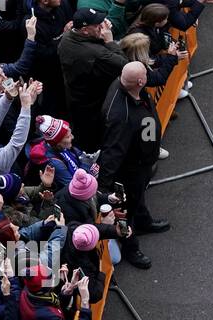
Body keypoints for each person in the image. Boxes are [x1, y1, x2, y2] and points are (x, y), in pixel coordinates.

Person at [98, 61, 166, 271]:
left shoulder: (132, 89)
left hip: (143, 162)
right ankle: (130, 247)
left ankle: (144, 221)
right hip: (131, 169)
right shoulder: (121, 114)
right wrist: (105, 187)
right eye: (146, 74)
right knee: (126, 209)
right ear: (140, 81)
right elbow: (112, 151)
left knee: (138, 198)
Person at [57, 7, 125, 154]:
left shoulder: (67, 37)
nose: (102, 27)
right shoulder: (96, 53)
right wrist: (109, 41)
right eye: (97, 25)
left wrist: (98, 36)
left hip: (75, 97)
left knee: (83, 134)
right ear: (85, 30)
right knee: (96, 139)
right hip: (93, 103)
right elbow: (125, 65)